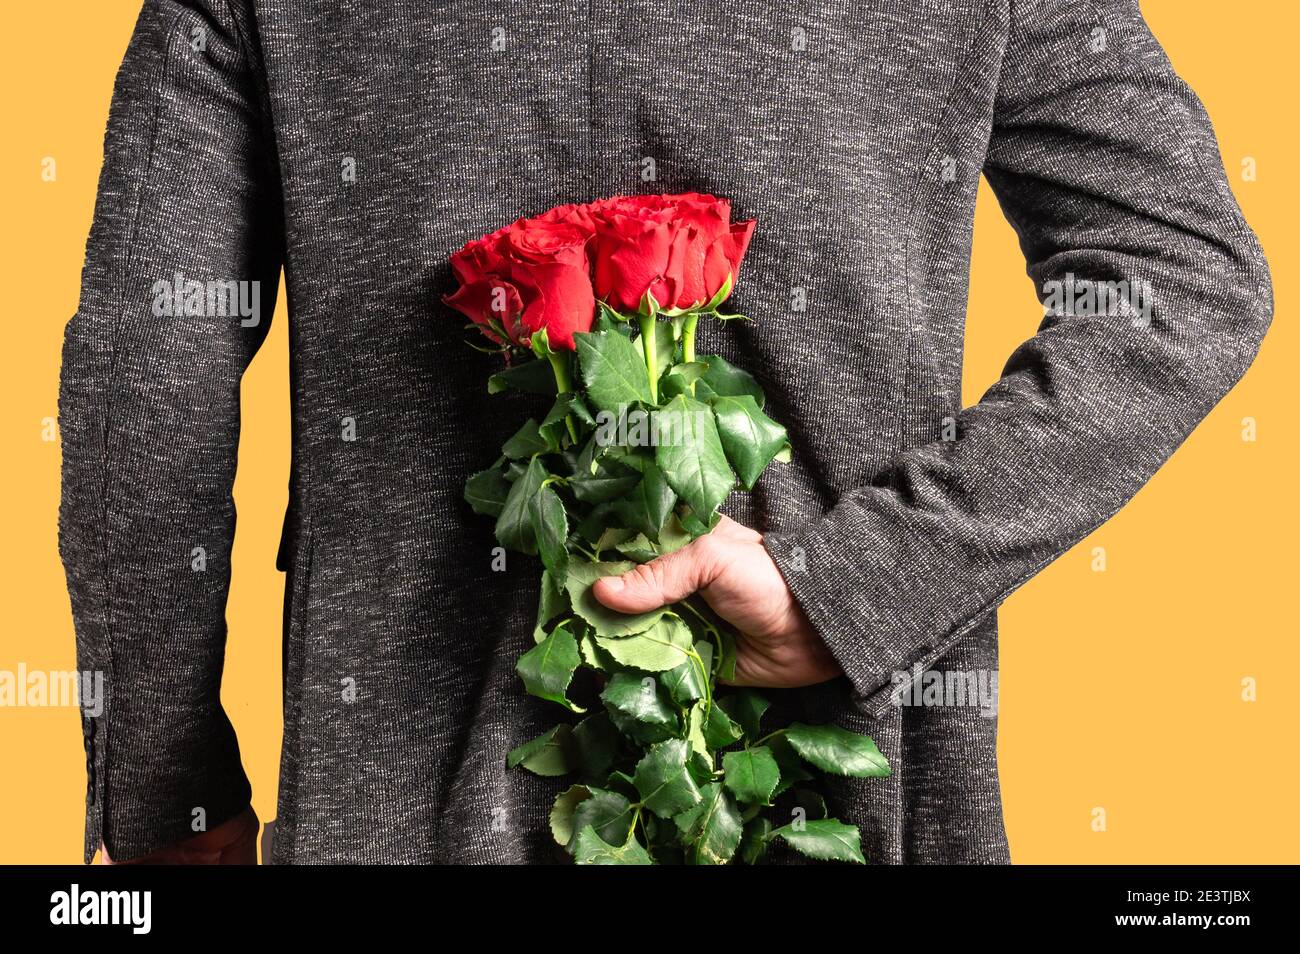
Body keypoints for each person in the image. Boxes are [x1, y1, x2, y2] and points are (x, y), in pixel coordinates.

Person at [61, 0, 1271, 864]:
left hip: (398, 787)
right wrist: (852, 591)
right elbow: (1184, 277)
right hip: (835, 792)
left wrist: (167, 796)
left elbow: (141, 380)